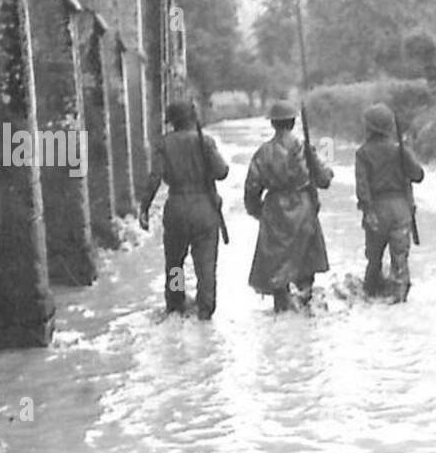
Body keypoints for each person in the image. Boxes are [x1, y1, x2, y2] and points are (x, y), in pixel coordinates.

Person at [139, 101, 229, 320]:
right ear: (192, 118)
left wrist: (144, 207)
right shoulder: (205, 141)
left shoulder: (164, 144)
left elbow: (155, 178)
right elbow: (222, 172)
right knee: (205, 264)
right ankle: (205, 308)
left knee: (175, 263)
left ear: (172, 121)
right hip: (204, 209)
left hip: (176, 209)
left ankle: (176, 302)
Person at [243, 100, 333, 313]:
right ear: (293, 122)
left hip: (274, 210)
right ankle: (305, 308)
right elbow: (324, 180)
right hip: (303, 207)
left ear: (273, 124)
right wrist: (323, 169)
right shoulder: (304, 149)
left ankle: (282, 308)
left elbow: (251, 189)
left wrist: (259, 212)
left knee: (277, 264)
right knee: (306, 261)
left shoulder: (263, 152)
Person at [355, 102, 424, 303]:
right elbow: (418, 175)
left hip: (376, 210)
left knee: (374, 259)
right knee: (400, 260)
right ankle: (400, 297)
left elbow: (362, 187)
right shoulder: (399, 150)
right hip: (401, 209)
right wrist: (405, 155)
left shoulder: (362, 153)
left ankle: (369, 296)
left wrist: (368, 211)